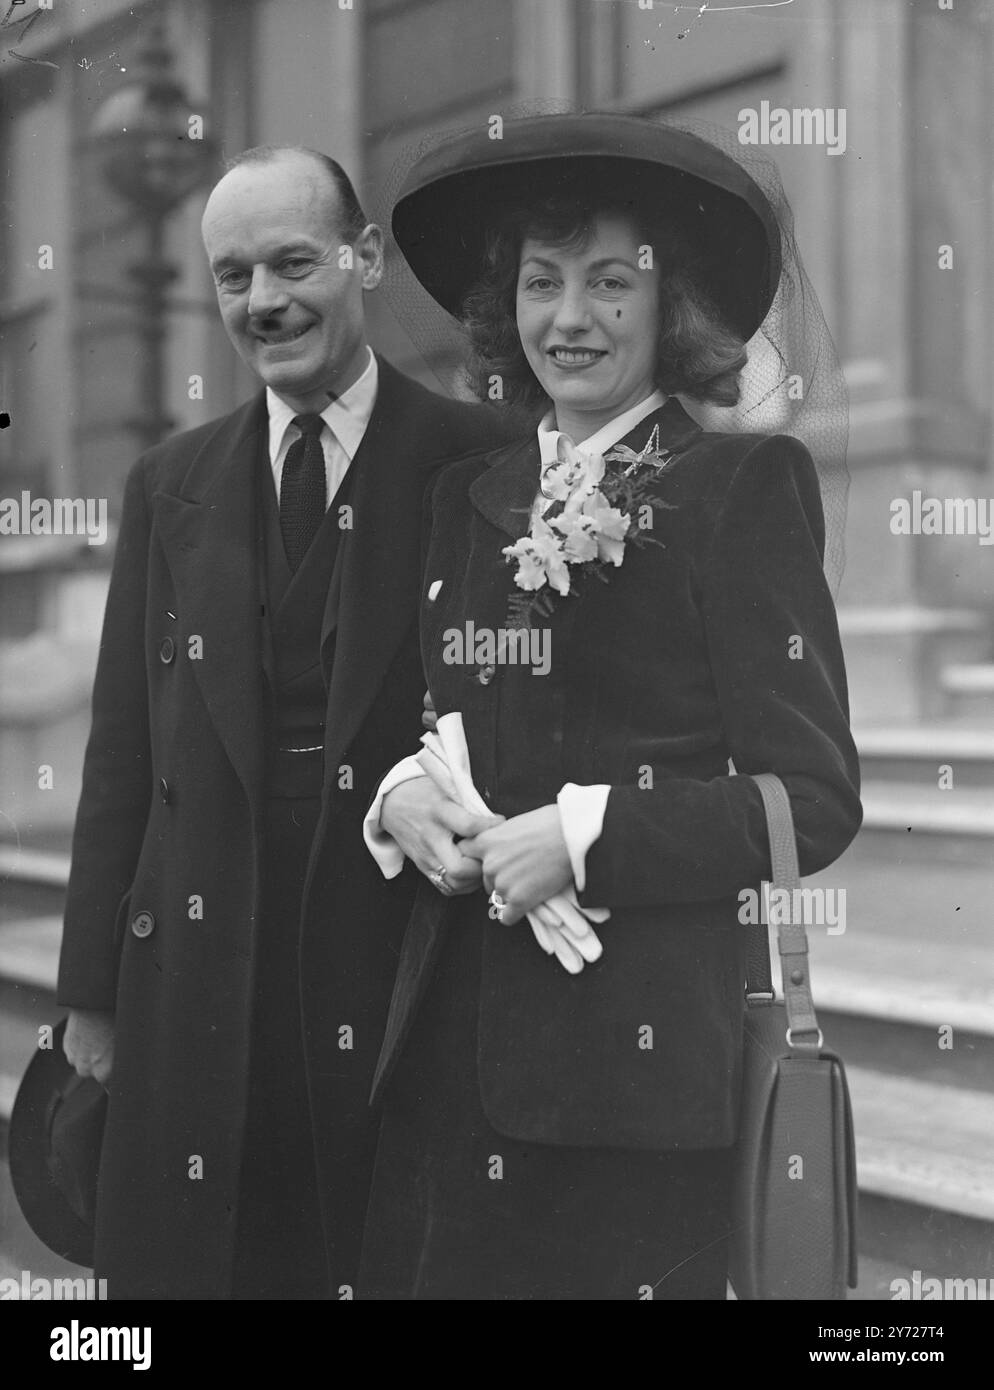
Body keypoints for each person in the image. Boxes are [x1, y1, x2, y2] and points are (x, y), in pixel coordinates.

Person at [359, 113, 863, 1300]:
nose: (568, 319)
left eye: (608, 282)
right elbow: (422, 718)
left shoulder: (740, 486)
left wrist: (583, 836)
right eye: (541, 283)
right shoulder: (462, 497)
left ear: (669, 305)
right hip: (452, 1065)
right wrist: (401, 797)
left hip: (632, 1101)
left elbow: (812, 797)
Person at [54, 145, 510, 1299]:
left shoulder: (474, 459)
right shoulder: (172, 481)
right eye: (233, 275)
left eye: (295, 263)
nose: (265, 302)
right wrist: (89, 996)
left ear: (362, 259)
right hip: (201, 957)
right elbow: (122, 748)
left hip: (389, 954)